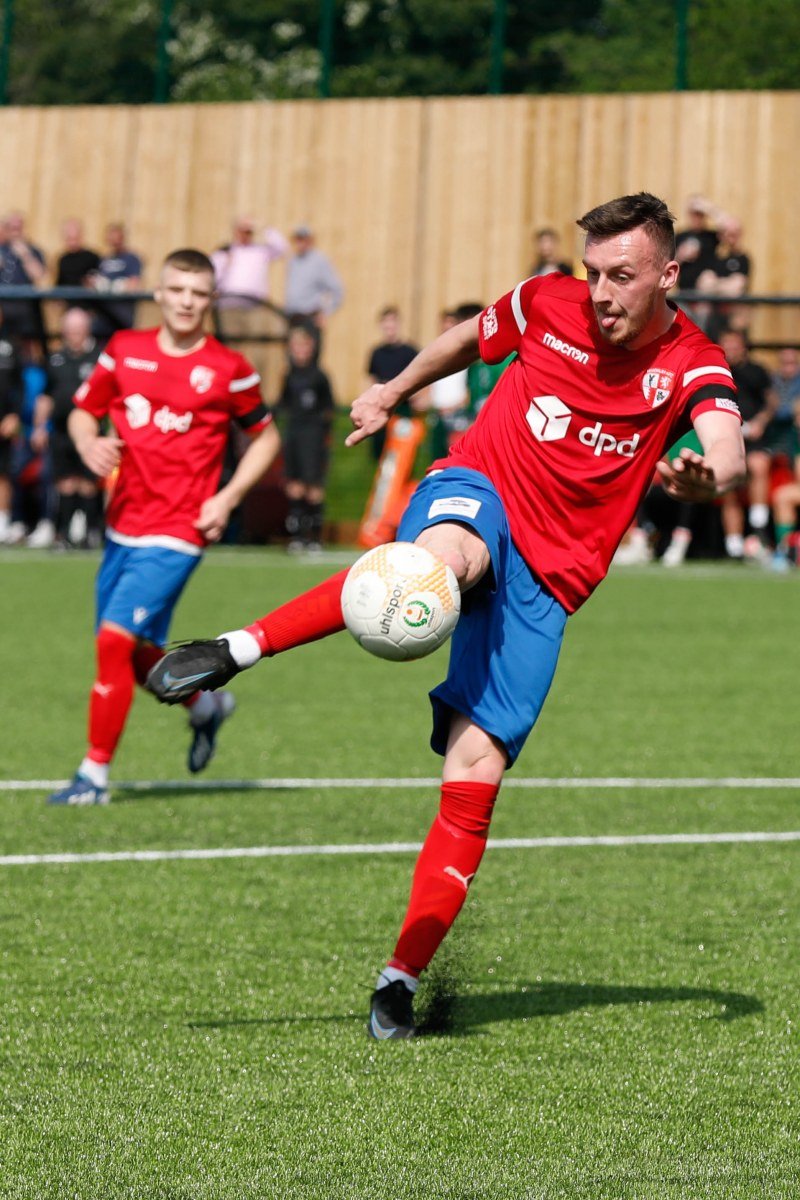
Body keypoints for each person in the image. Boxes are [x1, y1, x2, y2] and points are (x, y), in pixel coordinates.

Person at [146, 193, 746, 1038]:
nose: (603, 293)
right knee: (442, 563)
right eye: (594, 274)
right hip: (483, 489)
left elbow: (726, 437)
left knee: (475, 775)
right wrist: (390, 388)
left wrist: (708, 475)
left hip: (553, 579)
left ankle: (400, 978)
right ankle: (236, 648)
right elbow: (472, 338)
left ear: (668, 274)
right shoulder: (546, 302)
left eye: (623, 276)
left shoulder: (690, 359)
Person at [47, 248, 280, 806]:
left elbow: (266, 436)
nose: (186, 302)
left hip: (180, 530)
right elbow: (84, 409)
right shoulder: (125, 350)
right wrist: (87, 441)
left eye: (198, 294)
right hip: (123, 523)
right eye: (177, 290)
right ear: (159, 293)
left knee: (112, 642)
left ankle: (93, 777)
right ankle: (206, 707)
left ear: (211, 300)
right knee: (132, 657)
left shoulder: (229, 368)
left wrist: (227, 497)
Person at [30, 307, 103, 548]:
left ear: (87, 330)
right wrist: (39, 427)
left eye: (78, 330)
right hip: (60, 431)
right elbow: (46, 396)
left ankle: (91, 532)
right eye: (69, 331)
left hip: (90, 431)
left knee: (88, 483)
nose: (73, 335)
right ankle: (63, 534)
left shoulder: (100, 358)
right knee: (65, 482)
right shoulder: (56, 358)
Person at [717, 328, 777, 560]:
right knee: (728, 481)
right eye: (726, 345)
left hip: (754, 437)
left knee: (759, 464)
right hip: (726, 438)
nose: (730, 350)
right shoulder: (716, 371)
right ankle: (733, 547)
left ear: (743, 346)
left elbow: (772, 402)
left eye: (734, 344)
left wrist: (760, 422)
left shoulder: (756, 371)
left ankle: (759, 526)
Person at [275, 324, 335, 552]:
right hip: (294, 434)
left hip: (313, 435)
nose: (300, 351)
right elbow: (283, 404)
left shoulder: (319, 376)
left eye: (304, 346)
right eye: (296, 346)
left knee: (313, 484)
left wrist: (322, 433)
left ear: (311, 348)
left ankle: (315, 537)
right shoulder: (289, 375)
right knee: (294, 484)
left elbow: (328, 408)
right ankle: (298, 536)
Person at [366, 305, 421, 460]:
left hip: (403, 410)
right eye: (386, 322)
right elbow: (373, 380)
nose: (389, 326)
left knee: (402, 455)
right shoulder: (376, 353)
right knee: (381, 458)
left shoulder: (410, 351)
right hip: (383, 410)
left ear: (398, 324)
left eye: (392, 322)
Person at [284, 225, 343, 357]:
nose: (300, 243)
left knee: (310, 362)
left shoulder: (319, 261)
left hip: (310, 319)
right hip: (293, 319)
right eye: (297, 239)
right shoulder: (293, 261)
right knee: (293, 361)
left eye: (303, 239)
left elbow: (337, 290)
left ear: (310, 241)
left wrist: (326, 312)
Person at [88, 221, 143, 341]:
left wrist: (110, 286)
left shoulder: (131, 258)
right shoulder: (104, 260)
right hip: (103, 317)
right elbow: (94, 284)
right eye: (110, 237)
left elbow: (134, 284)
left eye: (116, 237)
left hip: (122, 316)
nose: (113, 241)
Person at [0, 211, 47, 345]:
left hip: (24, 305)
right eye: (11, 227)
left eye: (18, 227)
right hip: (2, 303)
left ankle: (29, 365)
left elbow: (40, 276)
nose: (15, 231)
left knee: (28, 341)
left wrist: (25, 255)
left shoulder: (32, 250)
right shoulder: (2, 249)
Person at [0, 305, 23, 543]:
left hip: (3, 420)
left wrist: (14, 415)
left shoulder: (10, 346)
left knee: (3, 473)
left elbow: (20, 386)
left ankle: (2, 522)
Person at [55, 218, 101, 290]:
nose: (73, 243)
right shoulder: (63, 260)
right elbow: (59, 286)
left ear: (81, 236)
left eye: (75, 238)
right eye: (69, 239)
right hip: (68, 299)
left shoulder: (93, 258)